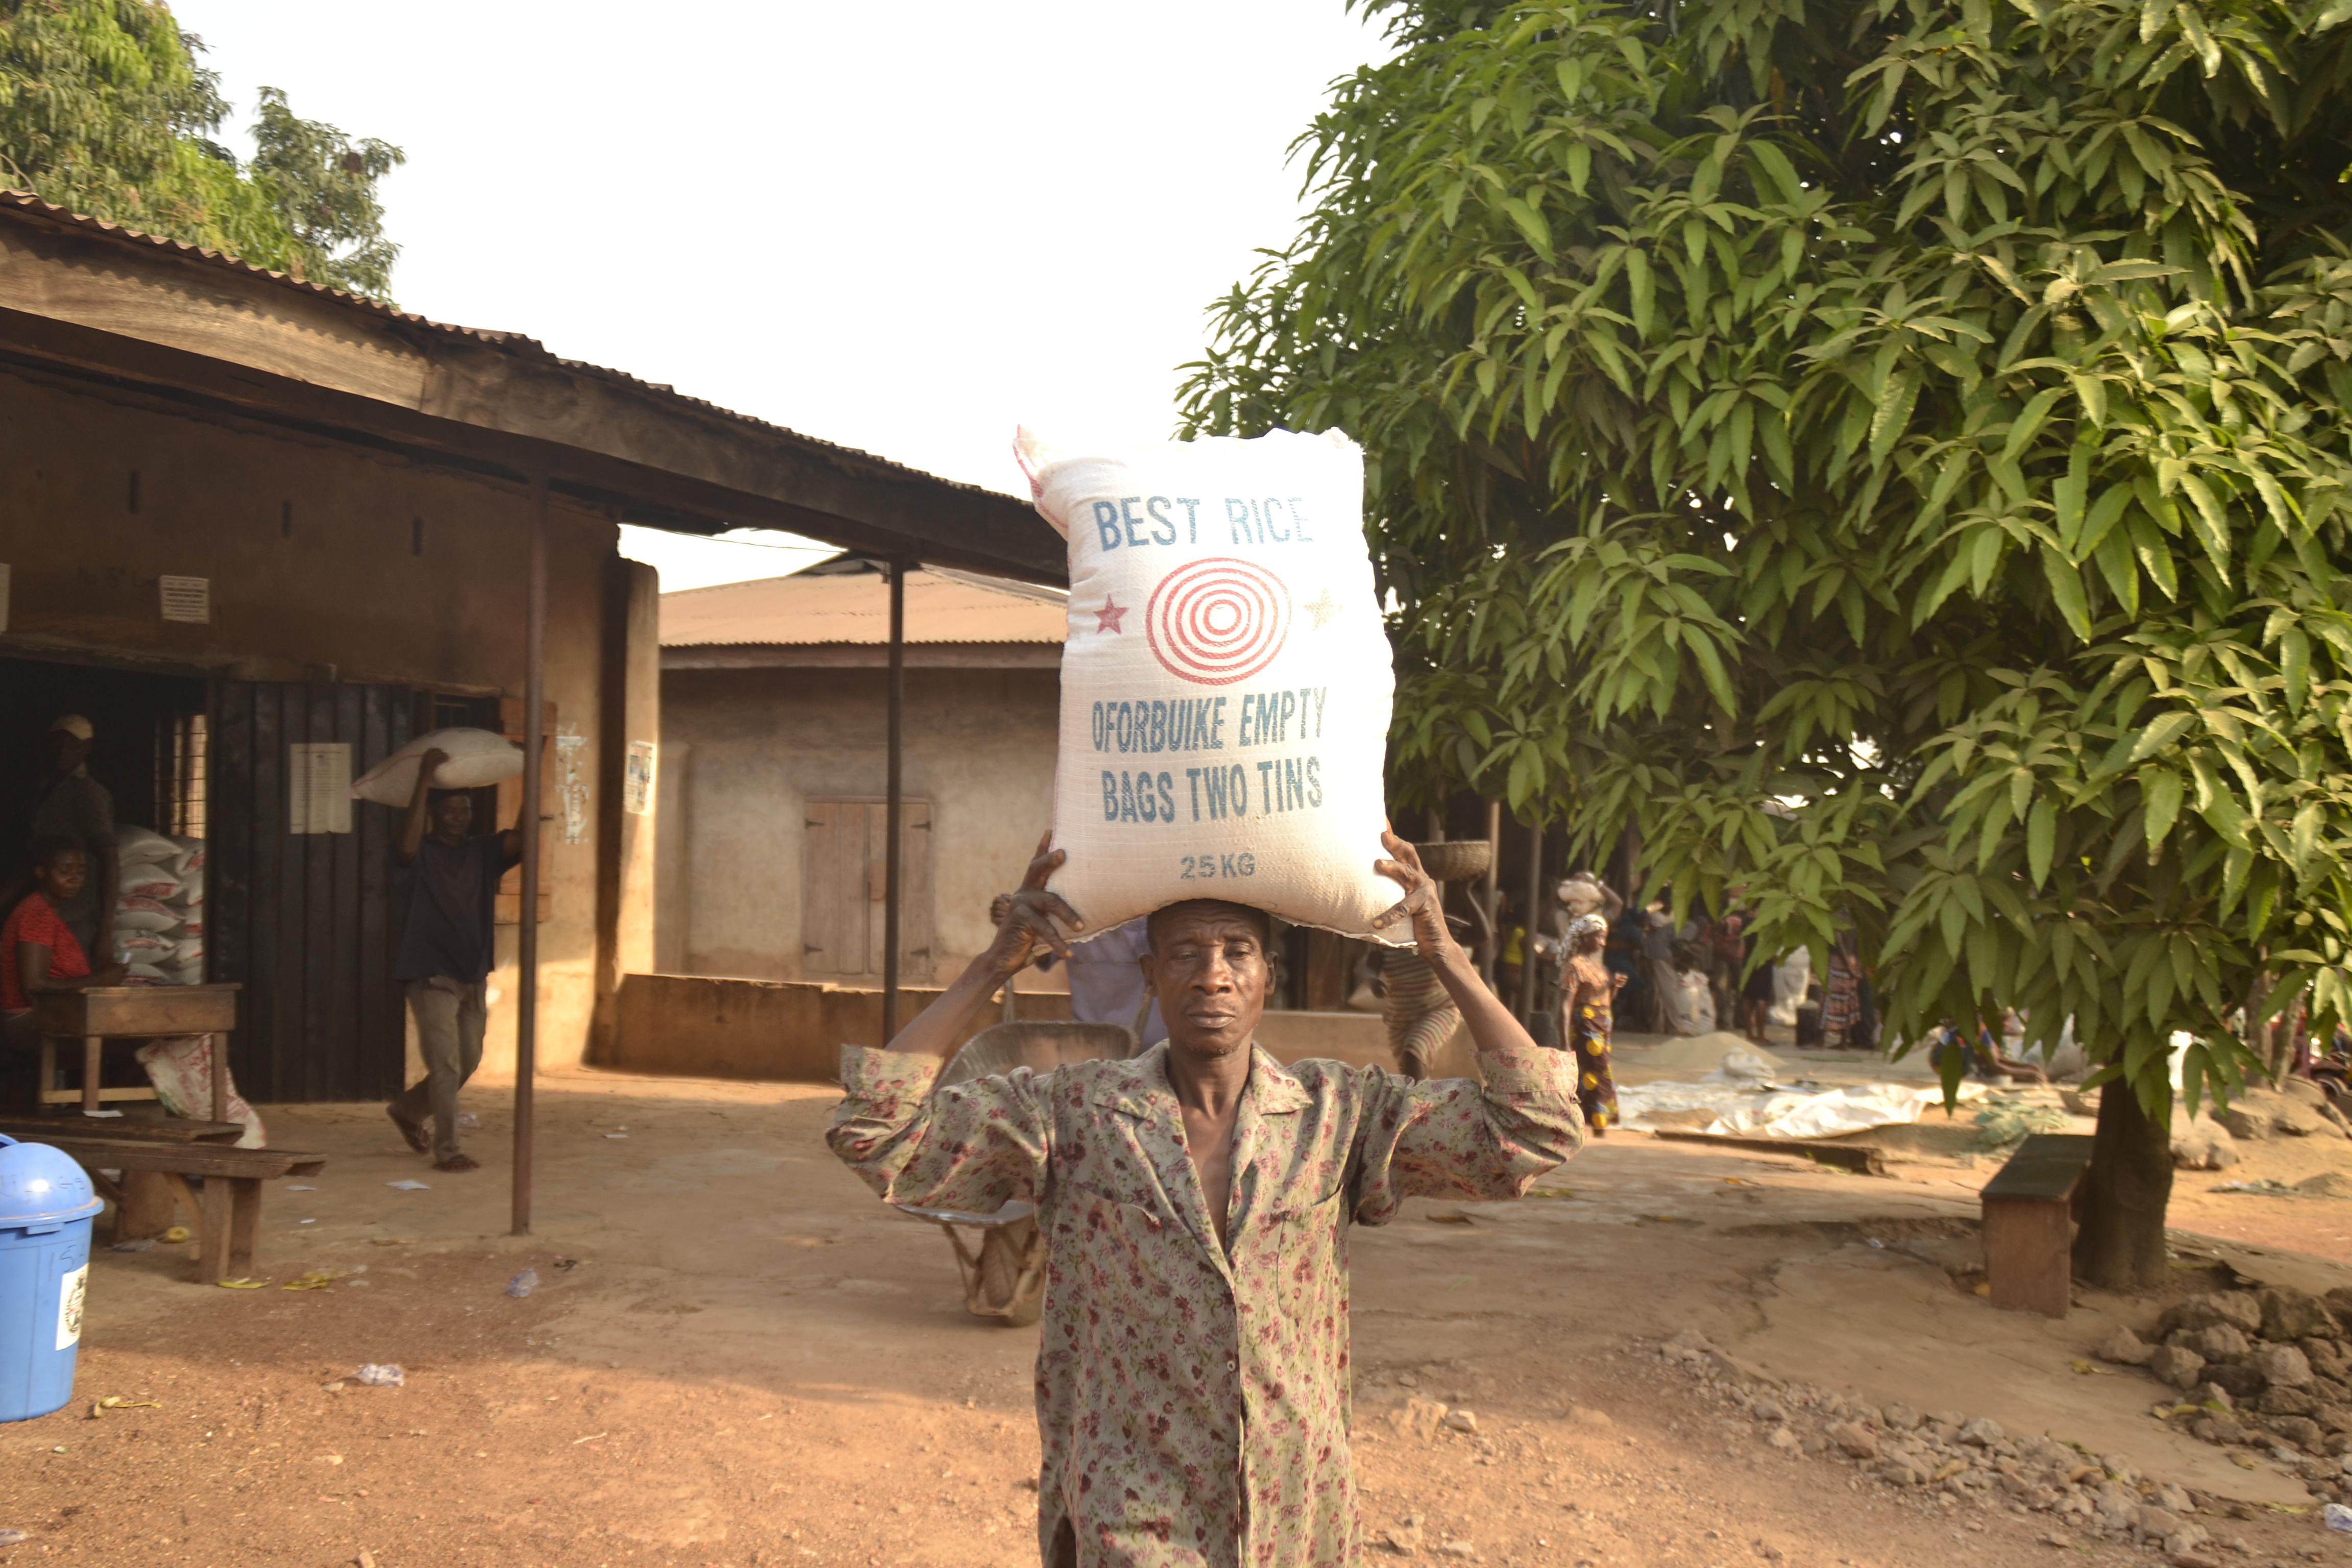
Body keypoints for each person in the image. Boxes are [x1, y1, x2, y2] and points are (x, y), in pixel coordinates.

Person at [826, 830, 1579, 1567]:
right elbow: (877, 1132)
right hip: (1134, 1507)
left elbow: (1535, 1128)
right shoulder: (1076, 1113)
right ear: (1152, 976)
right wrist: (992, 967)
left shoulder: (1336, 1112)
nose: (1211, 975)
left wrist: (1444, 955)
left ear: (1267, 977)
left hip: (1293, 1508)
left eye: (1236, 953)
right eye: (1185, 954)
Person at [386, 749, 521, 1171]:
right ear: (434, 814)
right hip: (431, 976)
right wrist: (425, 778)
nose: (460, 817)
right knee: (446, 1066)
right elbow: (405, 845)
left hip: (473, 974)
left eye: (465, 810)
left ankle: (408, 1110)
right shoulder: (420, 854)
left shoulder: (483, 852)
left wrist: (531, 778)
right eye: (451, 810)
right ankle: (449, 1151)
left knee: (467, 1063)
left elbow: (523, 838)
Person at [7, 716, 118, 969]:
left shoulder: (89, 794)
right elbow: (33, 857)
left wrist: (105, 931)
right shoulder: (46, 789)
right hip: (44, 910)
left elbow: (110, 860)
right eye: (58, 745)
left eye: (71, 745)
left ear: (87, 748)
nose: (62, 751)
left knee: (69, 988)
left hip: (76, 915)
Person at [2, 838, 125, 1058]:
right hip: (28, 1021)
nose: (74, 880)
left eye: (81, 872)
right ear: (41, 872)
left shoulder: (47, 912)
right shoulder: (36, 915)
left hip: (48, 1018)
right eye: (64, 871)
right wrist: (101, 980)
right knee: (138, 1043)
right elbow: (34, 988)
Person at [1557, 912, 1622, 1135]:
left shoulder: (1596, 965)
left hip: (1603, 1024)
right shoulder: (1575, 966)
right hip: (1586, 1026)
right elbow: (1566, 1004)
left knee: (1601, 1071)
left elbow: (1604, 999)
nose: (1602, 942)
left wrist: (1614, 987)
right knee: (1593, 1071)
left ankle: (1597, 1120)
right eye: (1598, 937)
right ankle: (1595, 1122)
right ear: (1585, 938)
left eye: (1604, 937)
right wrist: (1564, 1039)